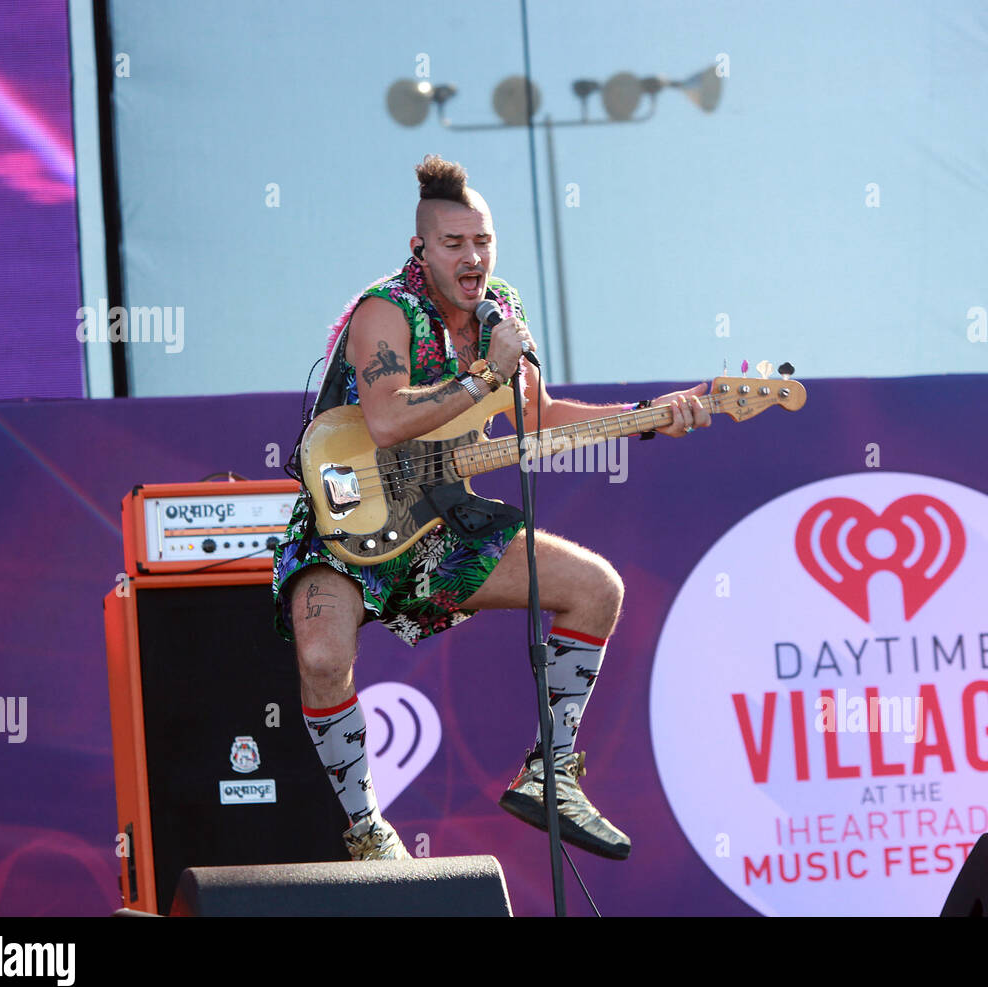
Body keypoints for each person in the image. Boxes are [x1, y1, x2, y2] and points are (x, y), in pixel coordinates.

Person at [272, 154, 710, 862]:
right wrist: (484, 376)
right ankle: (368, 833)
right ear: (420, 249)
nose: (472, 257)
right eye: (454, 244)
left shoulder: (501, 311)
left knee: (596, 588)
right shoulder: (386, 312)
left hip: (441, 523)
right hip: (341, 520)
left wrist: (645, 416)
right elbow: (385, 422)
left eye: (483, 242)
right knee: (323, 657)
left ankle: (552, 775)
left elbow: (534, 417)